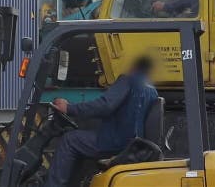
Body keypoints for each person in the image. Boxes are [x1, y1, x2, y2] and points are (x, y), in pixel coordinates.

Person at [43, 56, 158, 187]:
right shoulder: (151, 89)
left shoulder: (127, 80)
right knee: (77, 140)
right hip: (133, 144)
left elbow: (105, 106)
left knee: (69, 140)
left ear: (134, 67)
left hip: (116, 141)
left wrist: (69, 108)